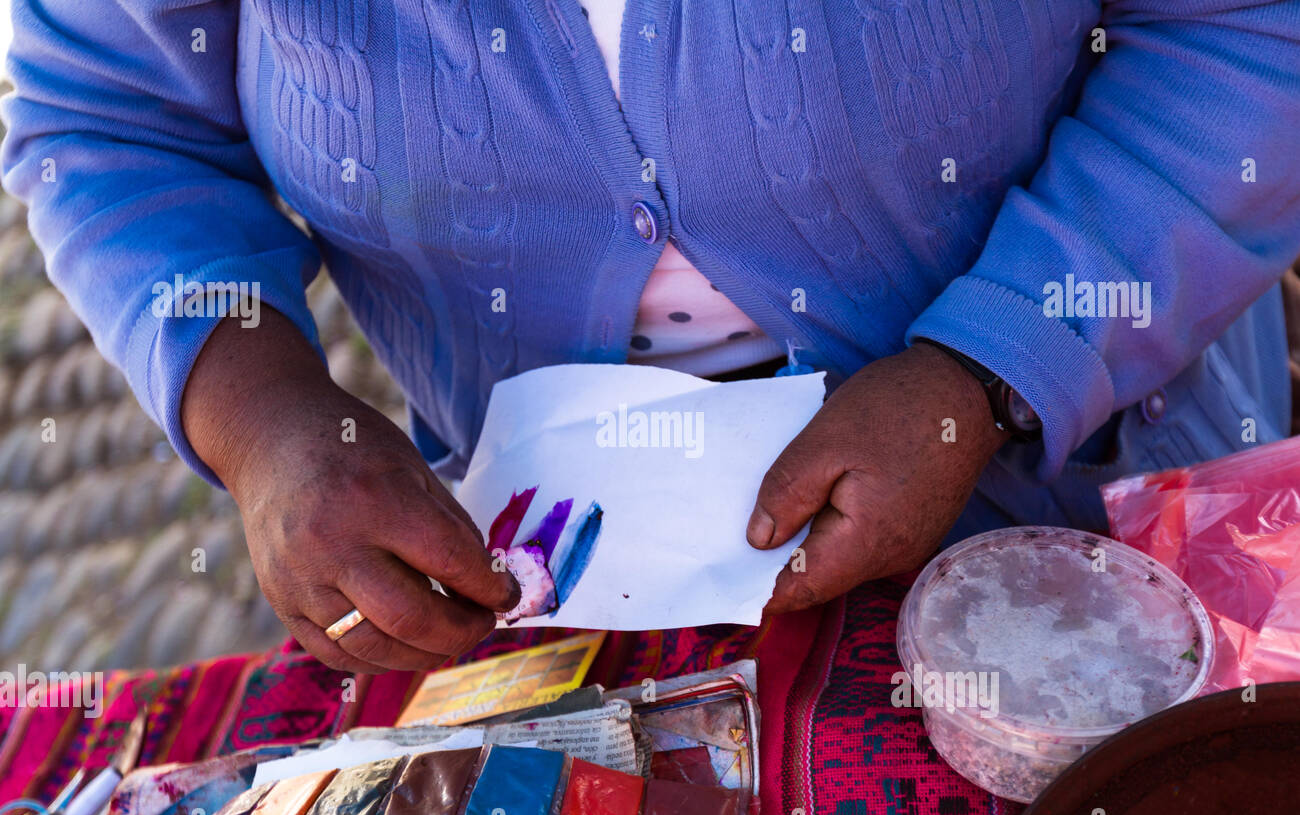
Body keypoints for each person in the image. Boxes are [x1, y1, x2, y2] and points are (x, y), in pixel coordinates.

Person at [3, 1, 1298, 674]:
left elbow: (1251, 30)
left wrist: (995, 364)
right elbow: (108, 122)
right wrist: (271, 418)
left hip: (1115, 532)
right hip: (550, 603)